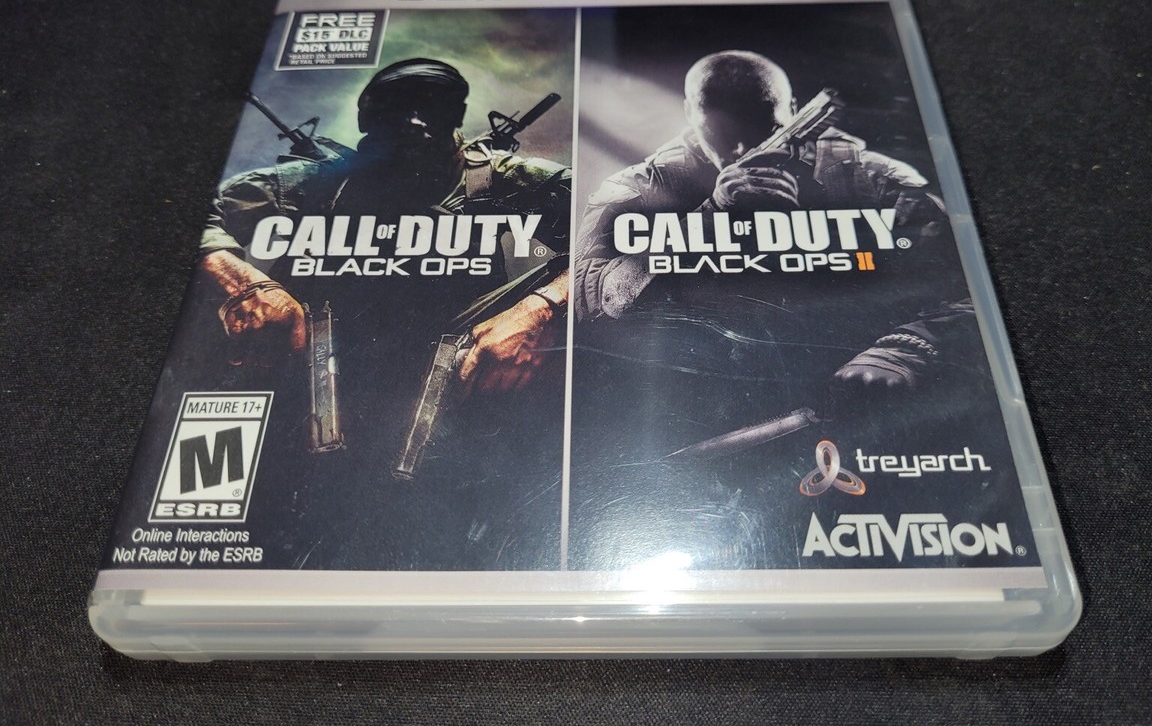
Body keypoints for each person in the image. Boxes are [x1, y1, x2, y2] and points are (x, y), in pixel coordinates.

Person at [194, 58, 572, 570]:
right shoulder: (316, 182)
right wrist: (245, 284)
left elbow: (629, 229)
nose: (414, 122)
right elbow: (201, 212)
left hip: (466, 389)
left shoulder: (506, 180)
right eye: (396, 109)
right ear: (366, 119)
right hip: (324, 380)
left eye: (432, 108)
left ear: (455, 116)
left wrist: (539, 309)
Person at [574, 49, 964, 403]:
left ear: (793, 111)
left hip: (843, 391)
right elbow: (591, 305)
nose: (742, 153)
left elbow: (966, 287)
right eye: (724, 135)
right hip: (690, 396)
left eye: (767, 129)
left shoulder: (869, 178)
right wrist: (709, 217)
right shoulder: (639, 188)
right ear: (689, 113)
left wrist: (902, 350)